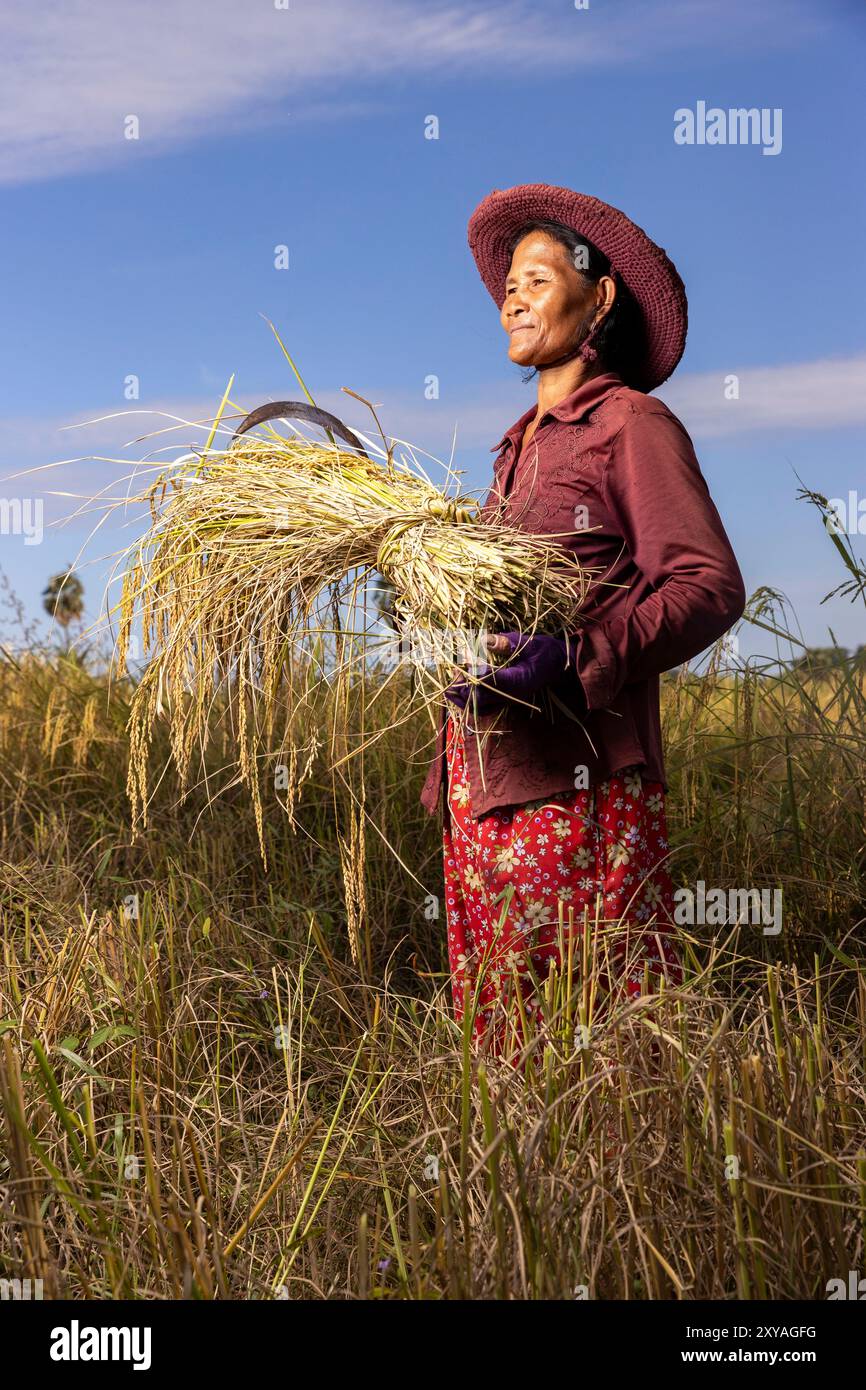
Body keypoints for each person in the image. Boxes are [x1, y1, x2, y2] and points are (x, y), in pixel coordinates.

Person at [419, 183, 746, 1058]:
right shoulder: (515, 448)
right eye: (506, 287)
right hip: (482, 786)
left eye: (535, 277)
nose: (511, 300)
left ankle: (630, 1200)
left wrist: (579, 654)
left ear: (598, 296)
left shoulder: (631, 425)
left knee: (593, 1045)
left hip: (579, 788)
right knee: (501, 1054)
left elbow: (707, 584)